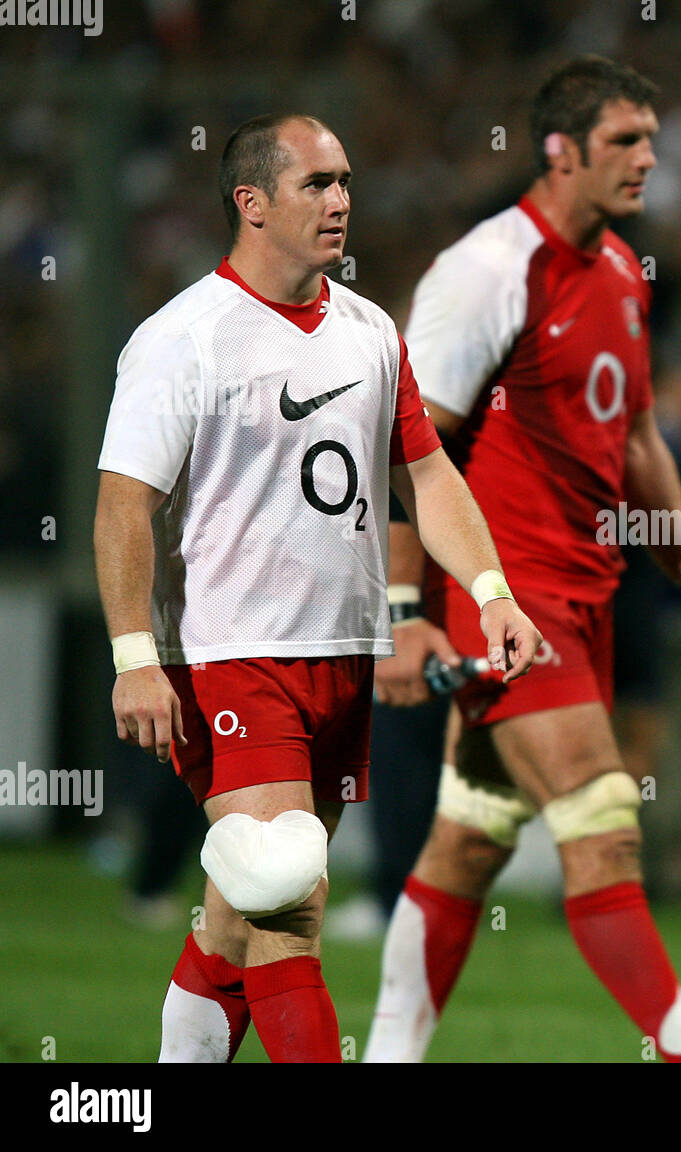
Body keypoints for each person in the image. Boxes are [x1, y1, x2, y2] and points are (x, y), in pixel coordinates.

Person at [94, 113, 539, 1063]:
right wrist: (135, 657)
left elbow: (427, 476)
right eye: (317, 184)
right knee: (290, 908)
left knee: (232, 924)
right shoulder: (184, 338)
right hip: (230, 659)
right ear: (251, 204)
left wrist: (492, 590)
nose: (341, 201)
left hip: (341, 656)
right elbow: (123, 506)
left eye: (345, 181)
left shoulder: (370, 329)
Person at [363, 56, 681, 1063]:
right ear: (560, 150)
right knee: (603, 817)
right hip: (500, 596)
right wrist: (405, 606)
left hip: (587, 594)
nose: (647, 160)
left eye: (652, 140)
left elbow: (635, 443)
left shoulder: (623, 272)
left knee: (467, 841)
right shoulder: (488, 269)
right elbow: (412, 451)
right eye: (624, 141)